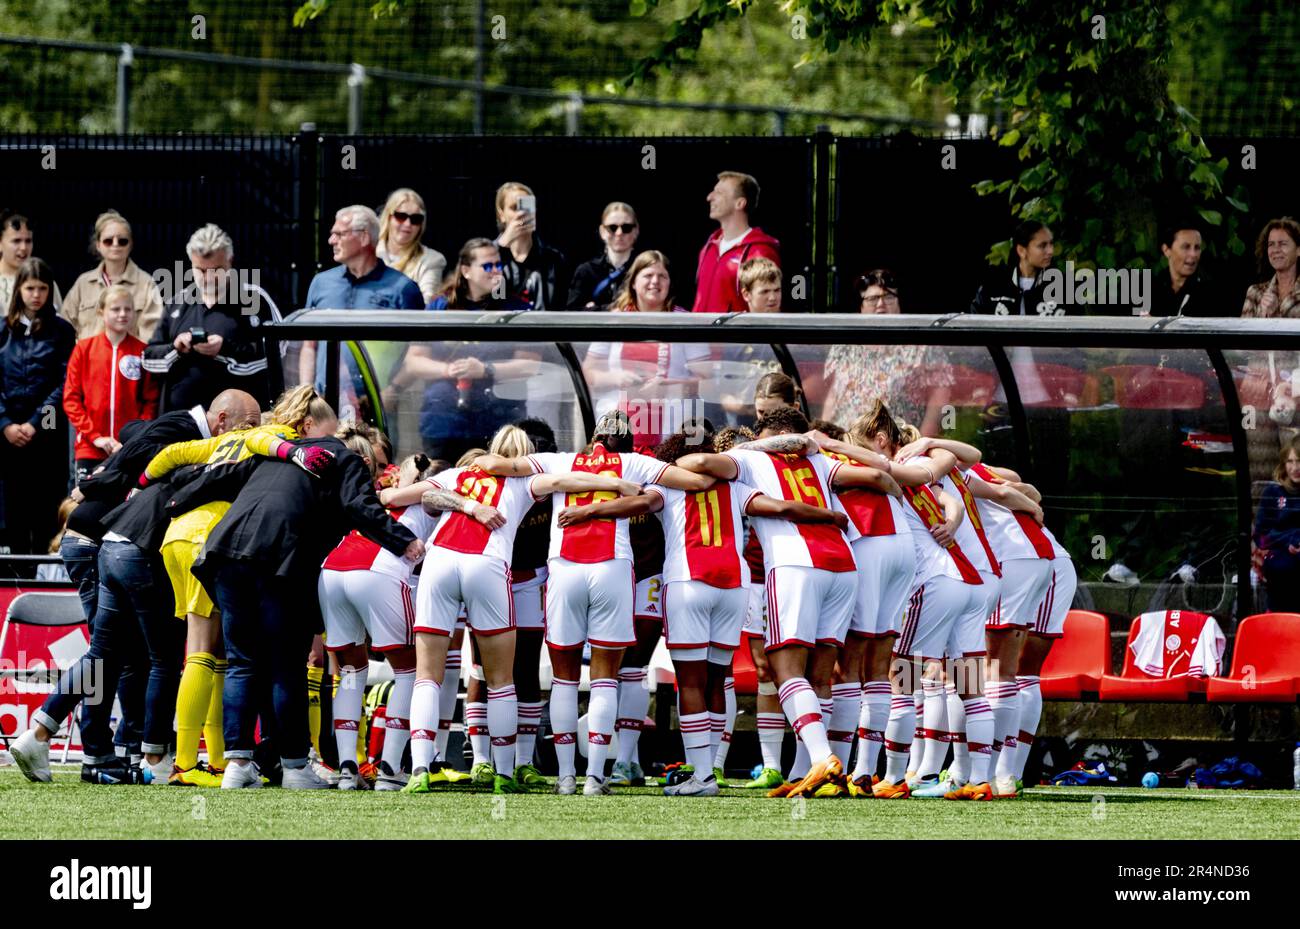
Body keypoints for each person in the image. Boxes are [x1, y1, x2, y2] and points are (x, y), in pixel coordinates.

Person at [556, 427, 849, 796]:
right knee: (717, 679)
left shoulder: (668, 486)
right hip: (734, 586)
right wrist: (830, 516)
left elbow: (637, 505)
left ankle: (703, 777)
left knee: (691, 682)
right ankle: (714, 766)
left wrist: (589, 510)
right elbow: (782, 507)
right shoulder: (735, 486)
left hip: (688, 583)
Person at [164, 396, 423, 789]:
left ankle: (237, 765)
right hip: (279, 561)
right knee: (286, 666)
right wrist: (405, 541)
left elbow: (219, 477)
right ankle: (296, 767)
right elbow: (362, 508)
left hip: (226, 556)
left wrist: (174, 501)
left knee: (242, 662)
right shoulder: (344, 459)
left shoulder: (277, 454)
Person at [386, 423, 642, 795]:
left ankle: (421, 769)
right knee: (501, 679)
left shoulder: (458, 474)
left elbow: (404, 497)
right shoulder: (526, 480)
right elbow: (563, 481)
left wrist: (466, 504)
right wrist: (618, 485)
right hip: (488, 565)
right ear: (526, 455)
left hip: (439, 563)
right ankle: (505, 773)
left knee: (429, 676)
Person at [472, 409, 715, 795]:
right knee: (605, 678)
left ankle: (566, 776)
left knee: (564, 679)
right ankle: (596, 777)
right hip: (612, 570)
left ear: (593, 438)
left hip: (564, 570)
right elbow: (699, 481)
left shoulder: (560, 461)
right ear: (627, 444)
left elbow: (496, 464)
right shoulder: (636, 463)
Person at [673, 405, 905, 798]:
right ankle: (806, 772)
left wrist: (754, 448)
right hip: (844, 565)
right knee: (822, 675)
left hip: (796, 566)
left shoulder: (749, 458)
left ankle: (822, 758)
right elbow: (878, 476)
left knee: (786, 670)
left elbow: (695, 462)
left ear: (769, 434)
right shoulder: (819, 460)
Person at [318, 435, 433, 791]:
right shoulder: (431, 497)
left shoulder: (372, 494)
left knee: (351, 671)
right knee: (410, 670)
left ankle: (347, 768)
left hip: (333, 568)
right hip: (378, 571)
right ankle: (389, 768)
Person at [386, 238, 540, 462]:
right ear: (466, 271)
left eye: (498, 265)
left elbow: (529, 365)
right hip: (444, 420)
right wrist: (450, 370)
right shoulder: (440, 306)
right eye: (487, 266)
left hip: (500, 421)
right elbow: (414, 361)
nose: (496, 271)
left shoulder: (515, 308)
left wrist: (485, 370)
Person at [298, 205, 424, 417]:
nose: (331, 240)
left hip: (377, 404)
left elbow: (418, 351)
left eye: (339, 234)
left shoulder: (403, 288)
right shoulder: (320, 282)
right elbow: (309, 345)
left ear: (364, 237)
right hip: (323, 402)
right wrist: (306, 392)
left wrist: (392, 390)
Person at [142, 223, 280, 413]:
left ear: (230, 261)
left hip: (238, 422)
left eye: (216, 270)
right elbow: (148, 358)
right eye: (200, 270)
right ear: (191, 263)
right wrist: (176, 348)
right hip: (182, 420)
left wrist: (225, 349)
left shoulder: (255, 299)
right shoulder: (177, 303)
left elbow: (277, 355)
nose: (208, 278)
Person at [582, 250, 712, 447]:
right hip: (617, 426)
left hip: (671, 425)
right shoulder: (614, 319)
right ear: (633, 282)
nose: (655, 281)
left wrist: (667, 386)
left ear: (670, 283)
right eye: (648, 275)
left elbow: (707, 380)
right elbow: (588, 372)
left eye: (662, 276)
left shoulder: (686, 321)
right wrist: (616, 378)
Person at [0, 258, 76, 556]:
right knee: (14, 507)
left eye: (42, 288)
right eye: (30, 288)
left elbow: (64, 383)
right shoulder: (3, 330)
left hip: (46, 427)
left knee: (46, 506)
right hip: (8, 432)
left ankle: (43, 569)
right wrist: (5, 423)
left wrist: (35, 424)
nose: (36, 295)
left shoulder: (61, 331)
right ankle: (16, 569)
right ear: (19, 289)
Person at [822, 270, 955, 435]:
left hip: (896, 445)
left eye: (888, 297)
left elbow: (939, 399)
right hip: (844, 442)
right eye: (872, 299)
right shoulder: (845, 345)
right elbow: (834, 395)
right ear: (861, 307)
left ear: (899, 303)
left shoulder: (921, 346)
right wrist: (824, 435)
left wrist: (921, 443)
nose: (880, 304)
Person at [63, 285, 160, 484]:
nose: (122, 314)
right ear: (101, 312)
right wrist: (95, 437)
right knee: (83, 499)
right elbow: (71, 400)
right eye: (116, 309)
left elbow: (150, 401)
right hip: (90, 447)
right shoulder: (84, 349)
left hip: (128, 448)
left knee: (123, 501)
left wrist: (133, 438)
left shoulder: (142, 351)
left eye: (128, 309)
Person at [61, 209, 164, 341]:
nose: (115, 245)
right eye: (108, 241)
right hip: (88, 354)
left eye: (122, 241)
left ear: (130, 244)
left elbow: (152, 334)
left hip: (130, 354)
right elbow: (64, 328)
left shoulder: (146, 283)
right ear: (98, 245)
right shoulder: (83, 283)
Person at [691, 172, 780, 313]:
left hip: (738, 329)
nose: (709, 197)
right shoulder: (709, 248)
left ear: (740, 203)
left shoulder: (760, 252)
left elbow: (768, 310)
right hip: (700, 328)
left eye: (719, 193)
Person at [492, 182, 567, 310]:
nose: (521, 214)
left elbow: (562, 307)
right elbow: (483, 301)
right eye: (514, 208)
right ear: (501, 214)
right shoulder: (487, 257)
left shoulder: (553, 259)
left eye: (526, 207)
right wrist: (502, 246)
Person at [969, 221, 1062, 316]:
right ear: (1021, 250)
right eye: (1042, 246)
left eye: (1051, 244)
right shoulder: (992, 286)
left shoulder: (1063, 286)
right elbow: (974, 320)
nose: (1050, 251)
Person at [376, 188, 447, 305]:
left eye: (416, 219)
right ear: (388, 217)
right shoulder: (367, 252)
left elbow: (425, 304)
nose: (407, 224)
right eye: (401, 216)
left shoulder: (432, 260)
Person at [1253, 438, 1300, 611]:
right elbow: (1261, 537)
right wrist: (1290, 542)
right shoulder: (1273, 492)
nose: (1295, 468)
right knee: (1283, 567)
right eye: (1290, 461)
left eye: (1299, 461)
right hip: (1281, 561)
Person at [566, 202, 640, 309]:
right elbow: (572, 312)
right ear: (602, 232)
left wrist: (593, 309)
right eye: (612, 228)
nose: (619, 233)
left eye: (626, 227)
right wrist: (607, 310)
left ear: (636, 231)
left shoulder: (645, 270)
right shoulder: (587, 271)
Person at [1149, 220, 1219, 318]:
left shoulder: (1211, 292)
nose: (1193, 254)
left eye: (1197, 248)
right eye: (1186, 247)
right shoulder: (1151, 287)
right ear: (1166, 250)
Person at [0, 210, 63, 314]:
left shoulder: (44, 280)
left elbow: (58, 318)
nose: (23, 247)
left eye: (28, 241)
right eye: (16, 241)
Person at [1242, 217, 1300, 319]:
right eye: (1271, 244)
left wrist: (1275, 316)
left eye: (1283, 244)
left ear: (1298, 250)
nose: (1275, 250)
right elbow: (1244, 329)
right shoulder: (1255, 292)